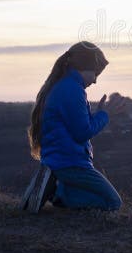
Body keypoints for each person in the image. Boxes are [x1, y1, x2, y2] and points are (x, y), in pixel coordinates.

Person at [25, 41, 126, 211]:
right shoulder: (72, 90)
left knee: (102, 198)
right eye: (95, 74)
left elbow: (76, 126)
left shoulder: (65, 86)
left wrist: (98, 114)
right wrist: (105, 115)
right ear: (84, 67)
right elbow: (82, 133)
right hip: (69, 163)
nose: (95, 81)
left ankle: (57, 189)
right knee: (113, 202)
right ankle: (57, 193)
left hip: (61, 161)